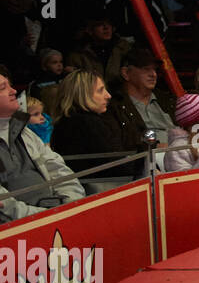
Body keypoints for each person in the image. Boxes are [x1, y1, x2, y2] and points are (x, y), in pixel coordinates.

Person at [0, 69, 85, 222]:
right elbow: (6, 208)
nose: (13, 91)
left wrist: (70, 203)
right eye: (3, 88)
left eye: (10, 85)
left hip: (57, 212)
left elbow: (59, 169)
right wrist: (45, 216)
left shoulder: (24, 131)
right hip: (22, 229)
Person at [51, 69, 131, 175]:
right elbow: (118, 166)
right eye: (100, 90)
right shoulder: (87, 123)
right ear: (83, 94)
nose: (108, 96)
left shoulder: (64, 122)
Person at [107, 48, 176, 151]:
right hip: (147, 160)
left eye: (155, 69)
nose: (153, 74)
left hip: (182, 153)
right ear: (126, 73)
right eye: (145, 69)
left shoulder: (167, 100)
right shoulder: (116, 107)